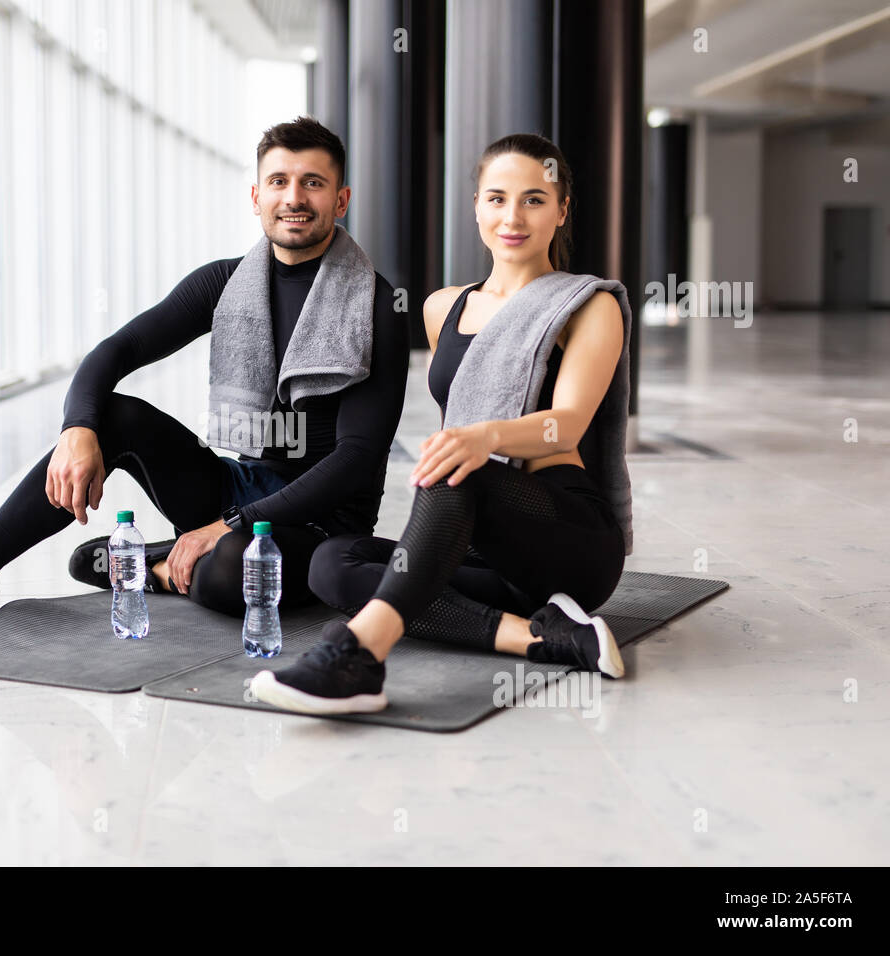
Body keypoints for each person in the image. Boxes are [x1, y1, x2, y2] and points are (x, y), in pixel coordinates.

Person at [0, 116, 410, 638]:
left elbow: (356, 458)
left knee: (232, 574)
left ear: (340, 200)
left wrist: (231, 524)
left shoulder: (376, 306)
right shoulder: (226, 284)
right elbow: (116, 350)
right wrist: (77, 429)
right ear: (256, 197)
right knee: (114, 415)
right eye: (279, 181)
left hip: (320, 521)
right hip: (237, 486)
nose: (294, 197)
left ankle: (155, 567)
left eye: (312, 183)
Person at [251, 133, 635, 715]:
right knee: (331, 562)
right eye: (497, 198)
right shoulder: (441, 308)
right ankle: (550, 636)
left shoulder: (586, 304)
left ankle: (359, 657)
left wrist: (488, 437)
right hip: (483, 547)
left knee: (461, 469)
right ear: (477, 206)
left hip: (564, 533)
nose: (513, 216)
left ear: (561, 210)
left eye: (534, 199)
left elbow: (569, 426)